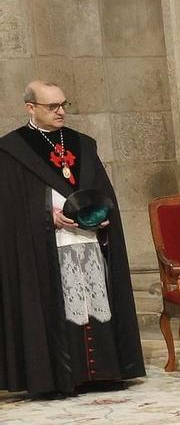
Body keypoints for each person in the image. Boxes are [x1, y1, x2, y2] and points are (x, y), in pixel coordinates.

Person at [0, 81, 145, 398]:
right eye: (52, 107)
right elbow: (9, 208)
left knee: (94, 302)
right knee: (60, 306)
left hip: (86, 238)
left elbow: (103, 191)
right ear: (31, 108)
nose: (61, 111)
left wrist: (104, 214)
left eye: (63, 104)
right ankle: (62, 377)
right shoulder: (12, 150)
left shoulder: (82, 144)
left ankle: (104, 372)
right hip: (47, 245)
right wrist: (46, 216)